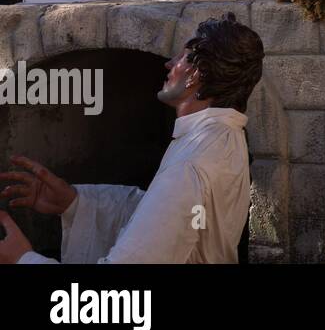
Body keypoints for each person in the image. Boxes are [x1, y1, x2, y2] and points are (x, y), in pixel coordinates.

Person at [0, 15, 264, 264]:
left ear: (197, 74)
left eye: (182, 58)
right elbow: (168, 218)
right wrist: (76, 203)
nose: (170, 64)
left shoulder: (191, 165)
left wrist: (23, 259)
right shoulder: (223, 135)